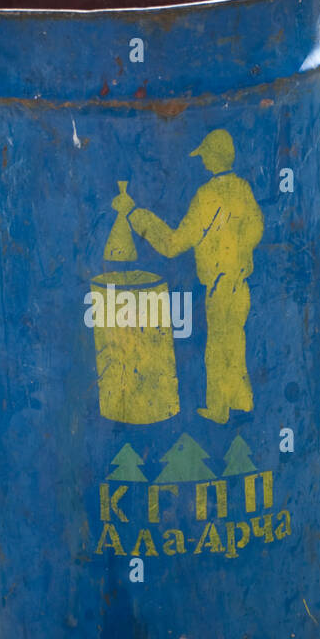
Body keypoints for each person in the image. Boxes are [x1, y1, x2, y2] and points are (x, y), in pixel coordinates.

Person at [129, 129, 263, 423]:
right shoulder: (243, 188)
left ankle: (218, 409)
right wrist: (242, 255)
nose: (203, 163)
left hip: (218, 285)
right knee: (235, 340)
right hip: (240, 284)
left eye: (205, 157)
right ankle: (241, 400)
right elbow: (256, 227)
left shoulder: (206, 196)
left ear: (214, 159)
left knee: (217, 347)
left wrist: (141, 219)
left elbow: (175, 243)